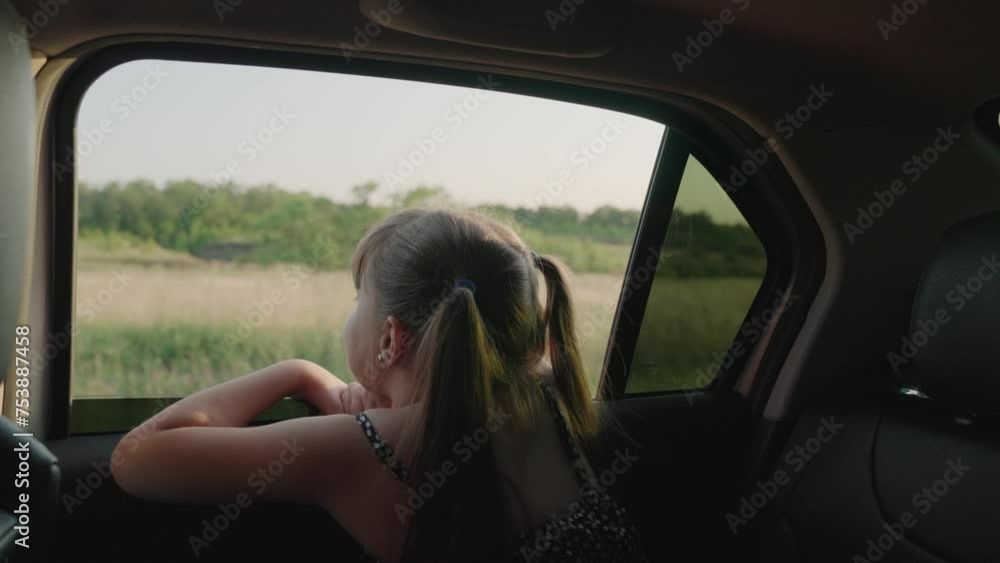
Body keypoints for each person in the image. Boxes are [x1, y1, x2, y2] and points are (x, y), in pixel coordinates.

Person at [112, 208, 647, 562]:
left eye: (358, 300)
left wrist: (296, 372)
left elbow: (136, 458)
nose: (351, 314)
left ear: (391, 338)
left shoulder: (370, 448)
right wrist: (395, 395)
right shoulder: (550, 397)